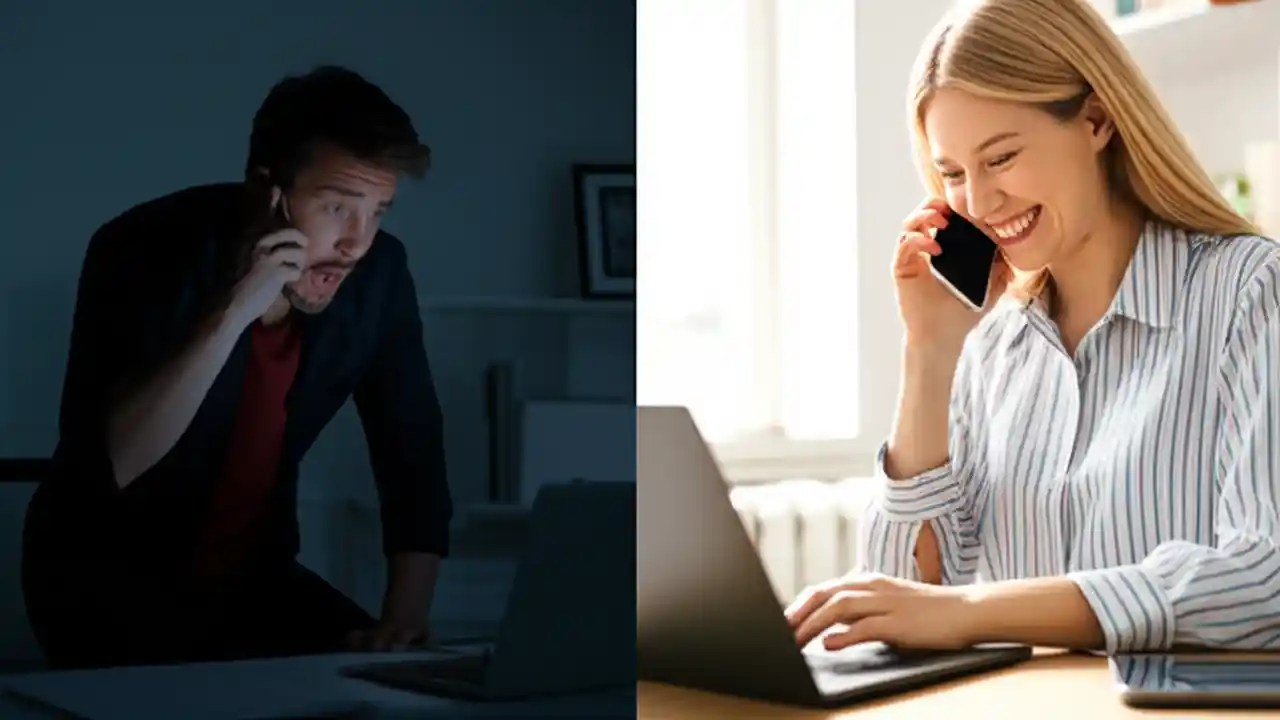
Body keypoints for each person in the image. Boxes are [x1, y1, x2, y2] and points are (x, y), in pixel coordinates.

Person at [786, 0, 1280, 655]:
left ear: (1097, 119)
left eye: (1002, 157)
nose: (980, 204)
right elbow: (903, 598)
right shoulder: (992, 347)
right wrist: (929, 352)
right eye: (954, 174)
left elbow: (1263, 577)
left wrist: (973, 610)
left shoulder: (1248, 291)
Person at [22, 65, 453, 669]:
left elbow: (410, 444)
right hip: (104, 577)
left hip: (255, 581)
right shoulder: (140, 246)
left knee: (396, 682)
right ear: (267, 193)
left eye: (378, 212)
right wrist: (232, 311)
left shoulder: (378, 273)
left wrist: (405, 616)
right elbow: (111, 463)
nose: (357, 242)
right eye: (336, 207)